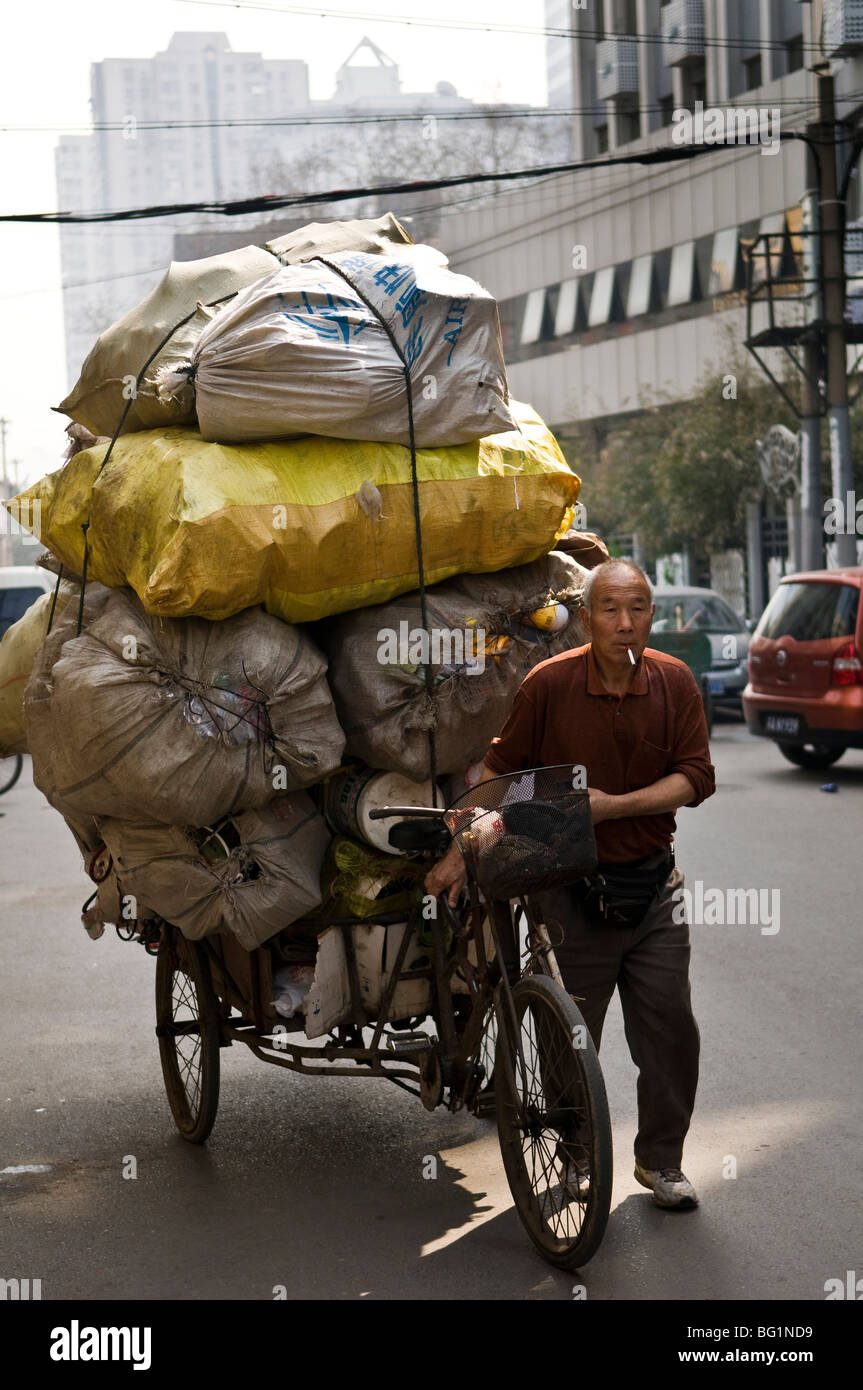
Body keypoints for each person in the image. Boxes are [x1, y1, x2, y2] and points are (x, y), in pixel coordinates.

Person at [425, 559, 716, 1210]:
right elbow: (503, 774)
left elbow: (695, 777)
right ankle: (577, 1153)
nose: (624, 623)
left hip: (651, 889)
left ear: (650, 615)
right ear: (586, 618)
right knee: (566, 1037)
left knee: (670, 1030)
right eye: (609, 609)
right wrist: (461, 845)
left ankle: (659, 1163)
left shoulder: (673, 683)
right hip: (566, 888)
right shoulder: (549, 684)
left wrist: (613, 806)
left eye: (636, 608)